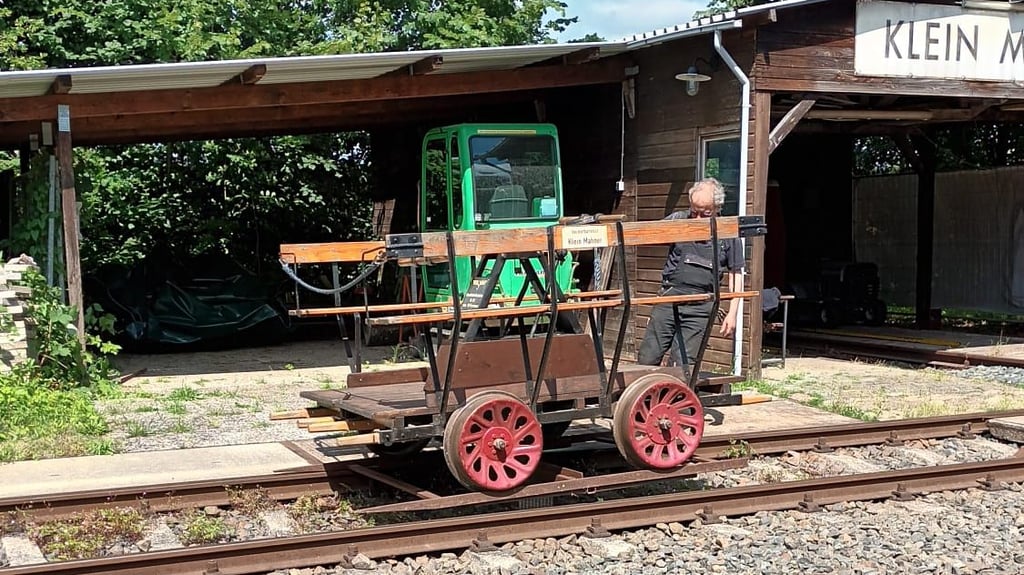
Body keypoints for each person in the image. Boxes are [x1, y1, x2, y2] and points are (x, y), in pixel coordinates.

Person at [637, 177, 744, 371]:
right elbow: (646, 233)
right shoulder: (679, 221)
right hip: (668, 299)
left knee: (683, 364)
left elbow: (736, 274)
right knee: (648, 356)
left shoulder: (728, 232)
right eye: (694, 211)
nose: (697, 219)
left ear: (717, 208)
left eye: (704, 213)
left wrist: (733, 313)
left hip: (701, 306)